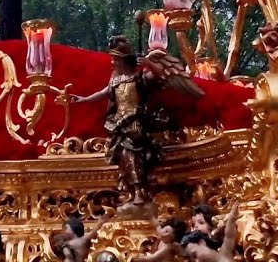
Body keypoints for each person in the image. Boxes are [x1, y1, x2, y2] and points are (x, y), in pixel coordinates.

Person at [71, 36, 203, 208]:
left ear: (124, 60)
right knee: (123, 157)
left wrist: (148, 62)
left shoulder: (139, 78)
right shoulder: (116, 80)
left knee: (133, 155)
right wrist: (84, 100)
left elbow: (160, 75)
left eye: (116, 59)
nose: (113, 62)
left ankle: (139, 191)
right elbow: (103, 93)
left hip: (136, 124)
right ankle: (133, 191)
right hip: (120, 124)